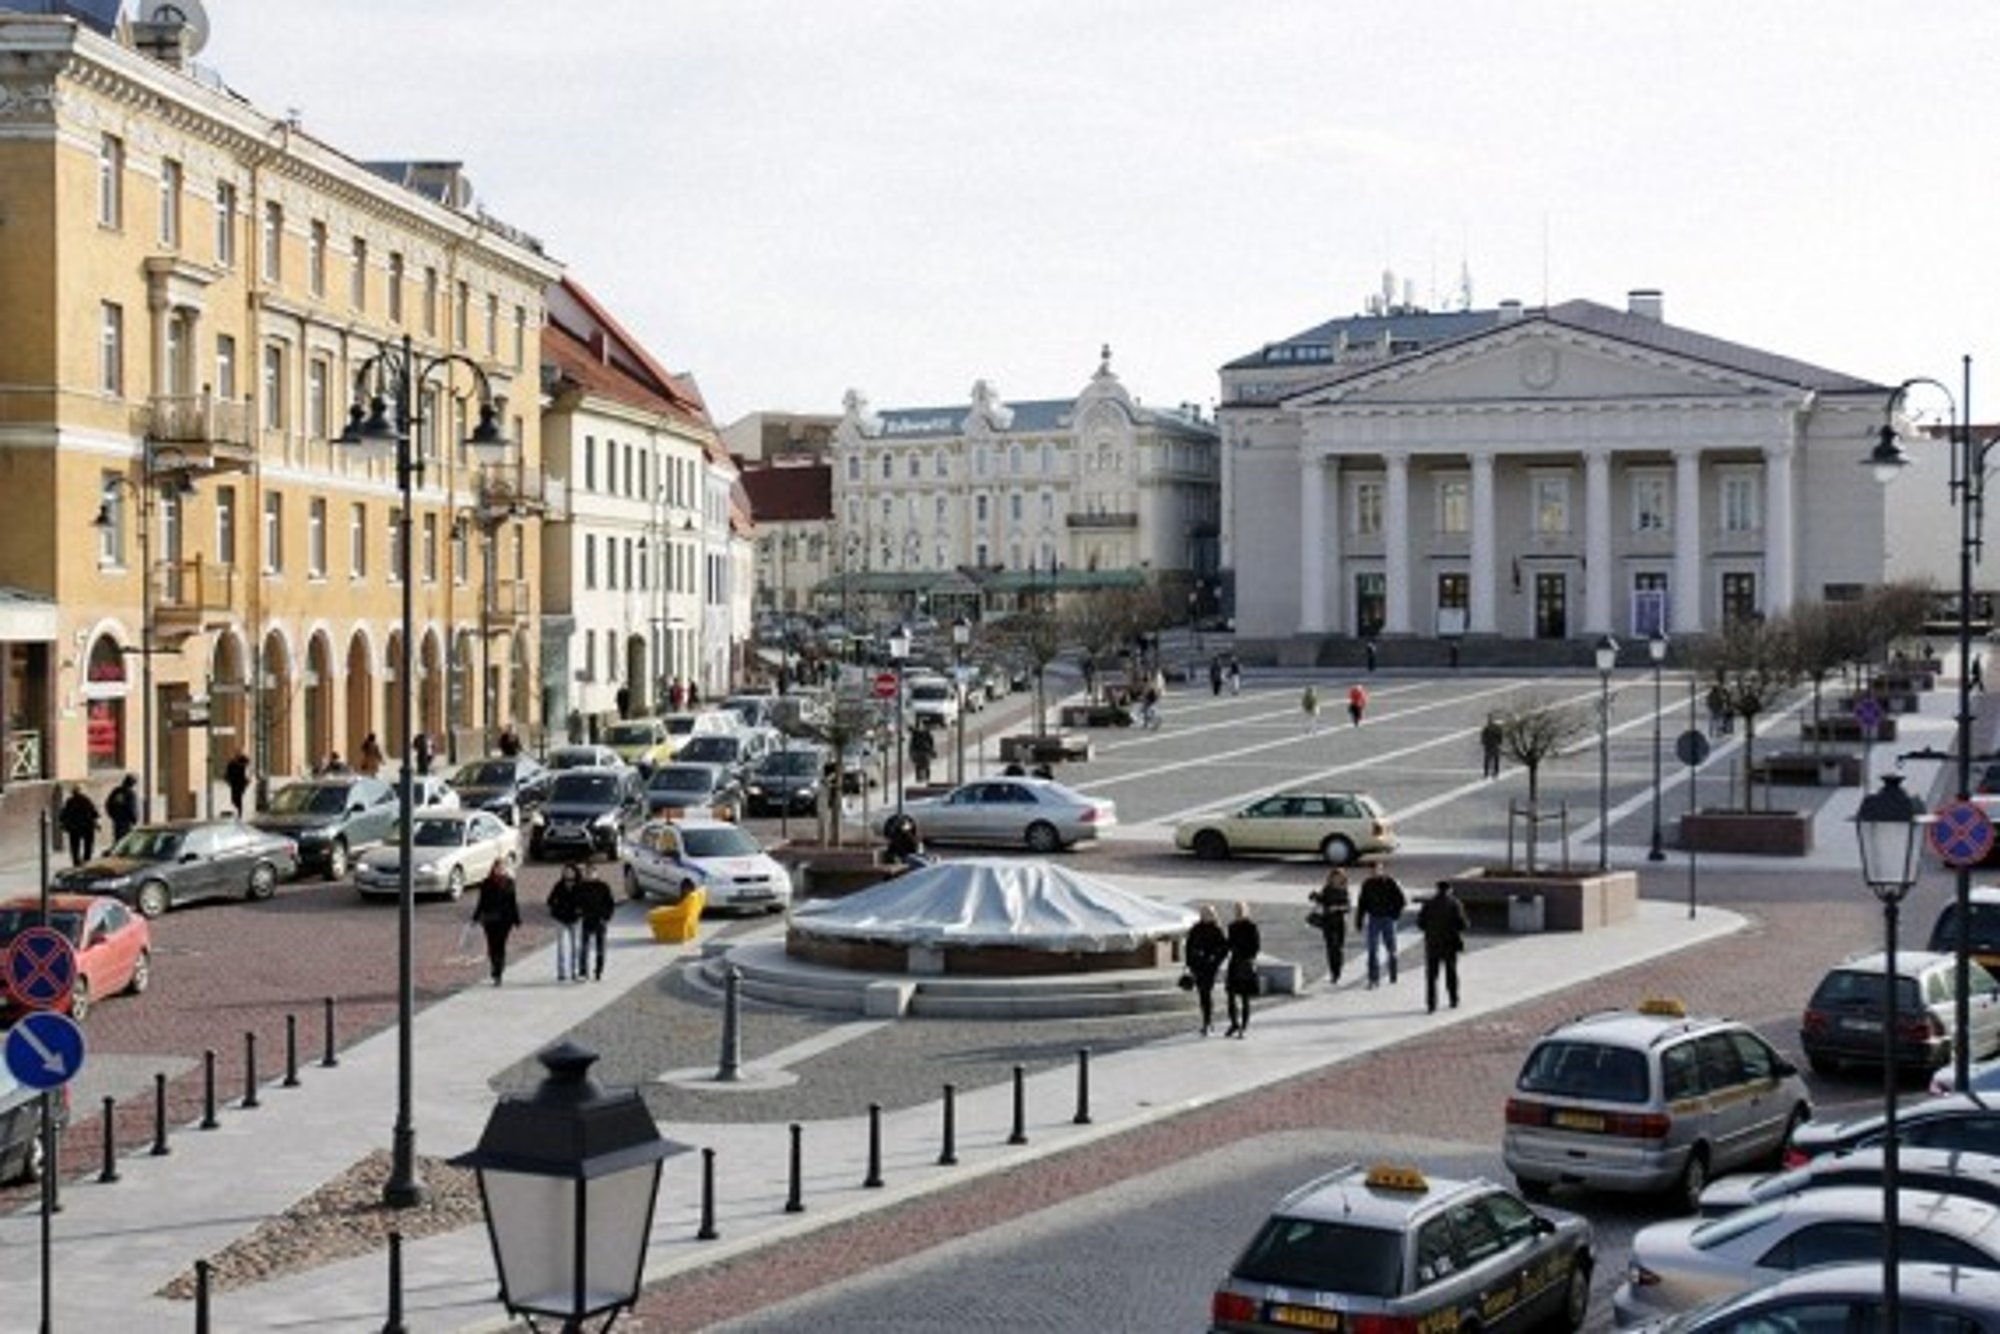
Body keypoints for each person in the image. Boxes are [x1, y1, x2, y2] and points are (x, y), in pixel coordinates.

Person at [1418, 880, 1471, 1013]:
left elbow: (1420, 923)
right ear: (1449, 890)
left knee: (1431, 976)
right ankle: (1453, 999)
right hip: (1449, 943)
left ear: (1437, 889)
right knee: (1451, 973)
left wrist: (1430, 930)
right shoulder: (1455, 903)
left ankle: (1431, 1004)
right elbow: (1463, 924)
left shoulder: (1429, 903)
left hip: (1432, 944)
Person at [1355, 860, 1406, 989]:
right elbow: (1362, 904)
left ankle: (1393, 973)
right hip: (1374, 919)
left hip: (1388, 919)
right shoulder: (1367, 884)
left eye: (1378, 869)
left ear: (1382, 870)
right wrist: (1359, 920)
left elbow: (1401, 901)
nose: (1375, 872)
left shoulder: (1390, 882)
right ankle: (1373, 979)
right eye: (1372, 870)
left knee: (1391, 949)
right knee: (1372, 950)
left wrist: (1394, 915)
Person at [471, 863, 522, 986]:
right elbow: (481, 901)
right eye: (497, 868)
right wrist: (475, 917)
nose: (499, 870)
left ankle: (498, 971)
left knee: (501, 944)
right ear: (493, 869)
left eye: (501, 869)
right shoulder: (486, 883)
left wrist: (517, 919)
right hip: (490, 919)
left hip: (505, 919)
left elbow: (513, 901)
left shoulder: (509, 882)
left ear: (505, 870)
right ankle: (495, 966)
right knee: (492, 945)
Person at [1184, 903, 1229, 1036]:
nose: (1205, 915)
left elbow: (1224, 949)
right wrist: (1189, 963)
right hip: (1197, 966)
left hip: (1209, 967)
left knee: (1206, 992)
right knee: (1202, 994)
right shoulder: (1196, 928)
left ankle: (1208, 1022)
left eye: (1208, 913)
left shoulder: (1217, 929)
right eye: (1203, 913)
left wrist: (1215, 960)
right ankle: (1206, 1021)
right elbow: (1188, 946)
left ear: (1213, 915)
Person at [1223, 901, 1262, 1038]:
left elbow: (1256, 946)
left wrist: (1248, 956)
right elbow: (1228, 944)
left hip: (1245, 963)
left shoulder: (1251, 927)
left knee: (1245, 998)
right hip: (1234, 963)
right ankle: (1234, 1023)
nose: (1239, 912)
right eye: (1237, 910)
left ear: (1247, 911)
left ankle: (1244, 1026)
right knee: (1230, 996)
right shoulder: (1232, 926)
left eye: (1241, 910)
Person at [1309, 867, 1350, 986]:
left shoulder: (1344, 890)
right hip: (1328, 922)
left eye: (1339, 877)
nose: (1336, 879)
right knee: (1331, 948)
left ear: (1342, 879)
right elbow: (1322, 900)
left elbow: (1347, 907)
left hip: (1340, 923)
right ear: (1331, 878)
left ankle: (1338, 969)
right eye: (1334, 877)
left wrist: (1336, 908)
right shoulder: (1327, 889)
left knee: (1339, 949)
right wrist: (1314, 896)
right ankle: (1334, 973)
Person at [576, 863, 616, 981]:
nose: (589, 875)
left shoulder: (603, 887)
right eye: (587, 873)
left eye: (591, 872)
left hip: (600, 921)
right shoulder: (581, 887)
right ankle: (583, 971)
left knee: (600, 948)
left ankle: (598, 971)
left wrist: (605, 918)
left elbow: (610, 904)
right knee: (583, 948)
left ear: (596, 873)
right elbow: (577, 903)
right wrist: (579, 913)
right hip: (586, 920)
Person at [548, 863, 584, 982]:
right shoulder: (559, 885)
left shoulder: (580, 885)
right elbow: (550, 900)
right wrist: (556, 911)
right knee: (561, 947)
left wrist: (581, 911)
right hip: (561, 919)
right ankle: (561, 972)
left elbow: (586, 901)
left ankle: (575, 972)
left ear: (575, 872)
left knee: (576, 947)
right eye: (565, 871)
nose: (567, 873)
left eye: (570, 871)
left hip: (575, 920)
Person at [59, 784, 100, 866]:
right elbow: (94, 813)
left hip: (74, 827)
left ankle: (76, 861)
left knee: (75, 846)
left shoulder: (70, 802)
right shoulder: (86, 800)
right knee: (88, 845)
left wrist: (64, 824)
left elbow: (64, 814)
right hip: (86, 826)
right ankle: (87, 860)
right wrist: (96, 823)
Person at [105, 773, 139, 841]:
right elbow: (131, 807)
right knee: (125, 839)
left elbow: (108, 804)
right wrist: (134, 819)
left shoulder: (116, 791)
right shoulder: (130, 793)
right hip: (126, 821)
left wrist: (113, 815)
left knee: (118, 838)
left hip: (117, 820)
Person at [224, 752, 251, 817]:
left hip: (239, 784)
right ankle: (239, 812)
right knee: (235, 799)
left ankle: (239, 813)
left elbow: (246, 776)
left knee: (237, 799)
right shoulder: (233, 765)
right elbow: (228, 774)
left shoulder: (241, 766)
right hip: (236, 784)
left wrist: (246, 782)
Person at [1480, 714, 1504, 779]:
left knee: (1489, 760)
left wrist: (1484, 743)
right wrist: (1499, 742)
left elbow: (1483, 738)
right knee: (1493, 760)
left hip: (1490, 746)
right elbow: (1500, 737)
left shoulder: (1487, 729)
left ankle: (1488, 773)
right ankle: (1493, 772)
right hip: (1492, 745)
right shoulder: (1494, 728)